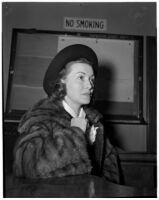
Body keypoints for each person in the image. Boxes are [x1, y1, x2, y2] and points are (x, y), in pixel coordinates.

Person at [13, 44, 120, 183]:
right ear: (61, 81)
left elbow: (110, 170)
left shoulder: (95, 122)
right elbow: (26, 166)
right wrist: (75, 132)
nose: (90, 85)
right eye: (81, 77)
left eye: (91, 79)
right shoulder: (41, 117)